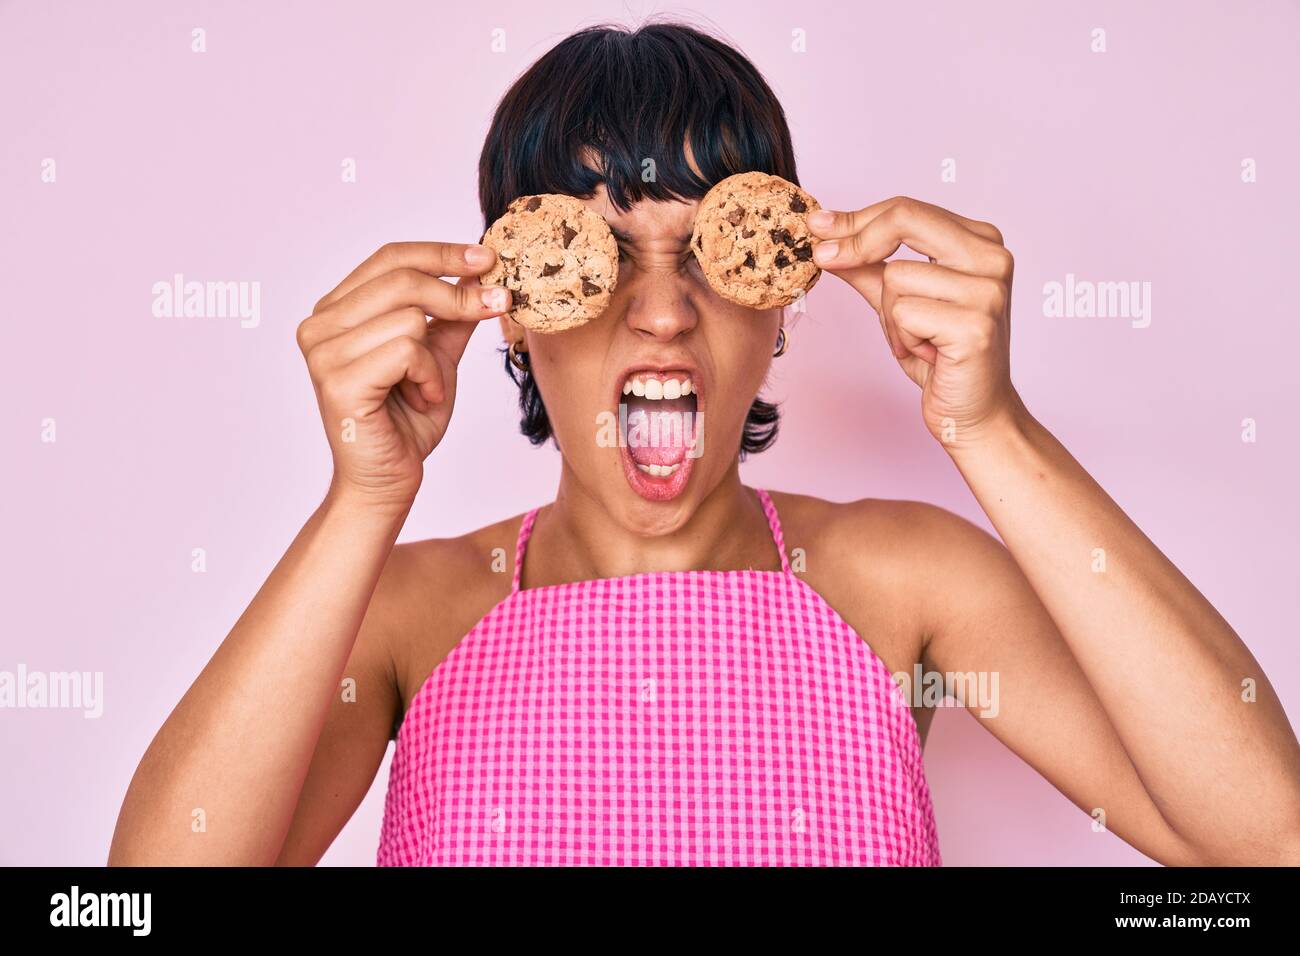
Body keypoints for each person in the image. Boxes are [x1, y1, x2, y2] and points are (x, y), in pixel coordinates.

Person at [109, 21, 1300, 867]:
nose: (665, 310)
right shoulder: (408, 612)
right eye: (602, 255)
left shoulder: (905, 583)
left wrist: (990, 427)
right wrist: (361, 498)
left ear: (780, 290)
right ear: (513, 305)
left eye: (709, 257)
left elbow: (1263, 839)